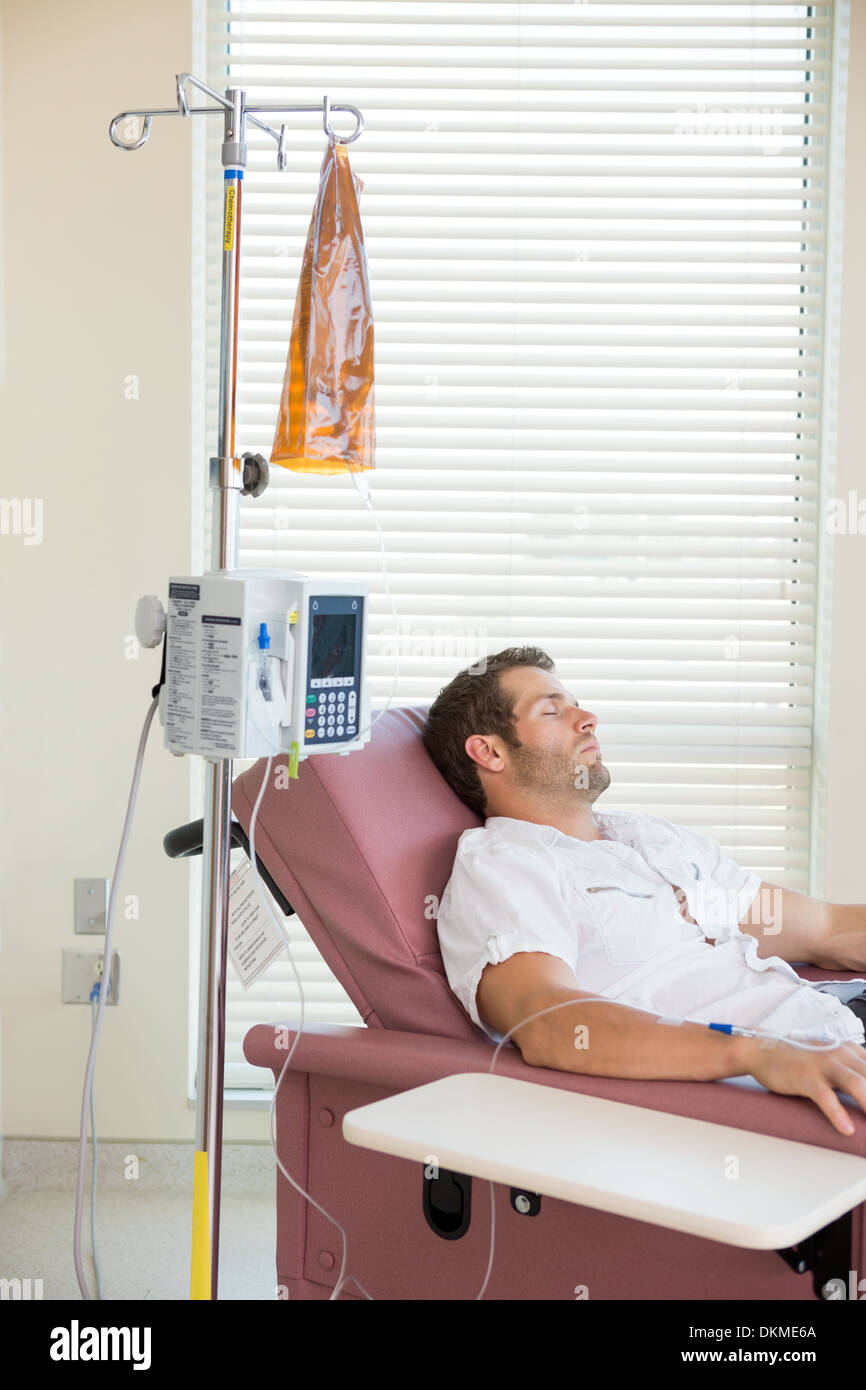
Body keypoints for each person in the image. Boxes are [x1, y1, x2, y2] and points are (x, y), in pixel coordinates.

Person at [422, 647, 866, 1137]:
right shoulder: (504, 866)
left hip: (838, 1018)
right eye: (552, 711)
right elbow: (548, 1022)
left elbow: (827, 929)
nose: (588, 719)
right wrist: (752, 1048)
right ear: (490, 752)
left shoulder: (648, 838)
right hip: (800, 1070)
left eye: (576, 704)